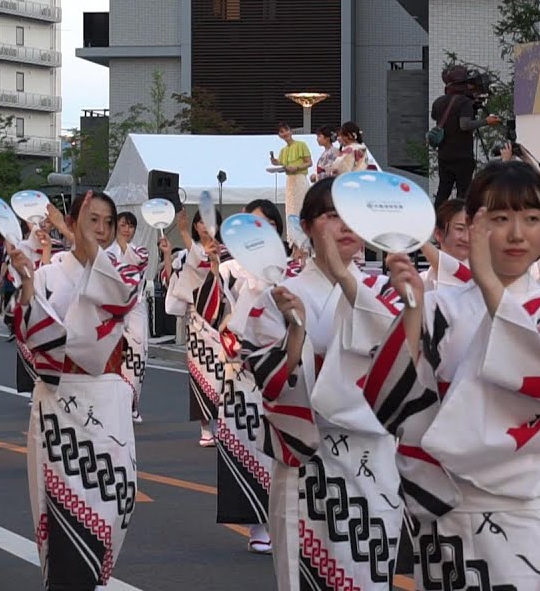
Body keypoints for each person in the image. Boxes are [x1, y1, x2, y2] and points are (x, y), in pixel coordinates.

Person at [357, 162, 540, 588]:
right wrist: (412, 309)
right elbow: (387, 398)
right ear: (475, 225)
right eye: (500, 219)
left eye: (532, 219)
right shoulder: (439, 306)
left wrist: (485, 280)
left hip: (528, 506)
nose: (516, 233)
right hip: (446, 503)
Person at [242, 178, 405, 591]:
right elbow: (269, 380)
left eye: (354, 215)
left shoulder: (385, 290)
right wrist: (295, 335)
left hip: (373, 462)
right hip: (308, 459)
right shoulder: (280, 294)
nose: (345, 225)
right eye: (333, 215)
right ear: (309, 226)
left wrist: (346, 283)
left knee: (369, 577)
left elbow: (402, 364)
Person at [12, 191, 141, 591]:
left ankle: (96, 570)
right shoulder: (49, 273)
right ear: (73, 220)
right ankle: (69, 580)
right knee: (58, 498)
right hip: (57, 395)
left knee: (116, 497)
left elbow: (118, 305)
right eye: (91, 220)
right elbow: (26, 332)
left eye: (106, 221)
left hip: (105, 392)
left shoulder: (128, 268)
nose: (100, 230)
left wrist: (75, 236)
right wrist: (28, 284)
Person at [214, 199, 285, 555]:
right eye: (252, 224)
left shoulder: (292, 270)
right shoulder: (229, 270)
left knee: (281, 450)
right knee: (247, 446)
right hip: (240, 371)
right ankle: (257, 523)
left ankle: (284, 521)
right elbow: (211, 312)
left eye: (268, 222)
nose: (261, 230)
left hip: (280, 368)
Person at [164, 207, 228, 448]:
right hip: (197, 320)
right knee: (202, 375)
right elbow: (174, 279)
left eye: (210, 222)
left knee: (224, 375)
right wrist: (170, 253)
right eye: (200, 222)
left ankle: (223, 424)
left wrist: (215, 261)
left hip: (221, 319)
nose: (204, 226)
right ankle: (205, 426)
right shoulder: (187, 254)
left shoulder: (227, 253)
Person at [432, 66, 500, 204]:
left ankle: (436, 221)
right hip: (462, 155)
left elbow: (436, 117)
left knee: (443, 190)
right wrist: (486, 121)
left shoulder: (438, 102)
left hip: (444, 155)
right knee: (464, 192)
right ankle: (461, 219)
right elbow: (465, 125)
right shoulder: (464, 103)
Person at [113, 210, 150, 423]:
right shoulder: (107, 252)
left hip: (135, 308)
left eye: (130, 226)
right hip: (112, 309)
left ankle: (131, 404)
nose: (127, 230)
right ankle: (114, 405)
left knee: (137, 357)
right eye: (123, 225)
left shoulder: (140, 251)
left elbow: (137, 262)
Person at [418, 198, 472, 292]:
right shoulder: (421, 282)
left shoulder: (483, 278)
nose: (466, 238)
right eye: (459, 229)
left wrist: (419, 239)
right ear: (438, 234)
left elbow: (459, 273)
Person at [271, 122, 312, 237]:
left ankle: (304, 240)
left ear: (291, 131)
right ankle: (293, 241)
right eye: (281, 132)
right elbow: (284, 166)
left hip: (300, 179)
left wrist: (297, 167)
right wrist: (276, 163)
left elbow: (309, 162)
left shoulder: (301, 145)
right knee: (290, 210)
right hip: (290, 180)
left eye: (286, 130)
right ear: (279, 135)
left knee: (300, 208)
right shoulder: (283, 150)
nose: (284, 133)